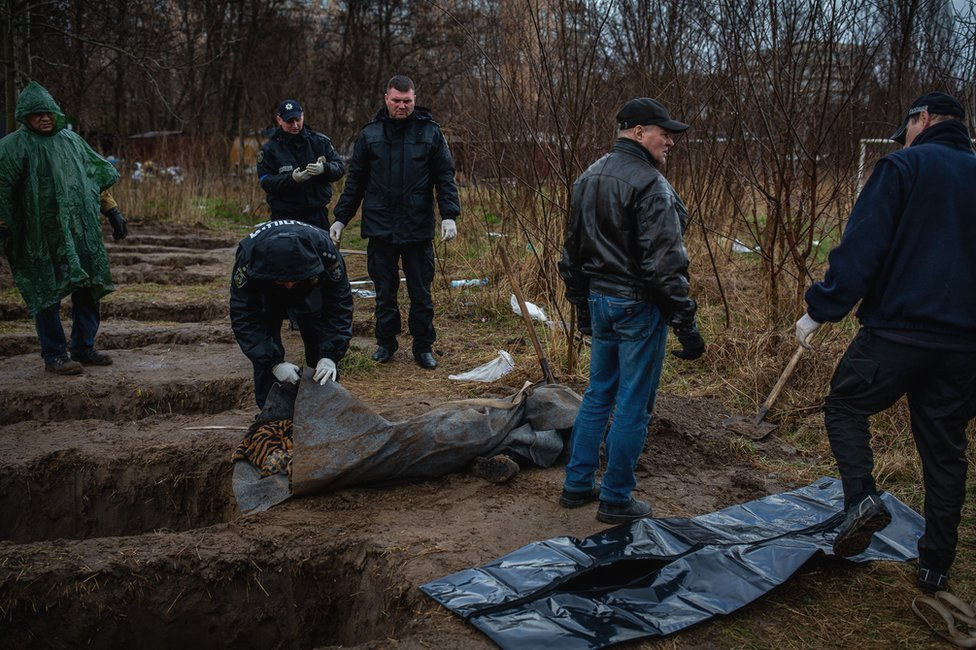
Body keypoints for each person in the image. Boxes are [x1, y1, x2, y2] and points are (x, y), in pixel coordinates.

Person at [795, 91, 976, 593]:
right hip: (964, 347)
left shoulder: (902, 168)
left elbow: (862, 247)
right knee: (946, 448)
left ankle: (861, 500)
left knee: (845, 405)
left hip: (898, 332)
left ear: (923, 119)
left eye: (907, 130)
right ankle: (936, 564)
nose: (904, 140)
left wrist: (822, 309)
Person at [558, 97, 705, 525]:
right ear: (639, 133)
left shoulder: (588, 177)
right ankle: (616, 497)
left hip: (601, 300)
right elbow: (665, 266)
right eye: (665, 133)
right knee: (633, 404)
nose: (670, 142)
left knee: (598, 393)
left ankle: (577, 484)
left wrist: (583, 308)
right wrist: (686, 324)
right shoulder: (651, 185)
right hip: (637, 306)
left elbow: (571, 255)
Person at [330, 75, 460, 370]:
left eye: (407, 101)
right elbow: (355, 182)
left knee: (421, 293)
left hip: (417, 227)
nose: (402, 106)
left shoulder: (430, 133)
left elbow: (445, 176)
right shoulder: (370, 134)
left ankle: (423, 346)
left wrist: (449, 215)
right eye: (397, 101)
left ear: (414, 100)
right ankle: (386, 343)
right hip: (381, 227)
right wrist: (341, 219)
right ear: (386, 99)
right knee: (384, 291)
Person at [0, 81, 128, 376]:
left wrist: (112, 210)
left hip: (80, 232)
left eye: (48, 112)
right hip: (38, 237)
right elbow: (2, 191)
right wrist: (3, 227)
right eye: (37, 113)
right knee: (46, 292)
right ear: (25, 116)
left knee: (87, 288)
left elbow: (93, 177)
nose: (44, 118)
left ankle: (83, 346)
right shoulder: (12, 148)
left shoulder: (72, 141)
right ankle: (55, 354)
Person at [230, 220, 354, 409]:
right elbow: (245, 317)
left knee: (317, 331)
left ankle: (325, 407)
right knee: (266, 336)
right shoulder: (249, 259)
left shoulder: (325, 253)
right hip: (266, 288)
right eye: (283, 281)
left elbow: (339, 306)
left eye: (292, 280)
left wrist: (330, 355)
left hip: (310, 284)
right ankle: (272, 411)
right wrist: (273, 363)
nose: (288, 286)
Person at [257, 99, 345, 230]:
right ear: (279, 120)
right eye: (289, 122)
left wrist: (324, 169)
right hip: (284, 217)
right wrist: (291, 179)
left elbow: (340, 167)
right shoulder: (269, 149)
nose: (295, 125)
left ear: (302, 116)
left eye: (298, 120)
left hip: (317, 215)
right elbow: (266, 181)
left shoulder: (319, 142)